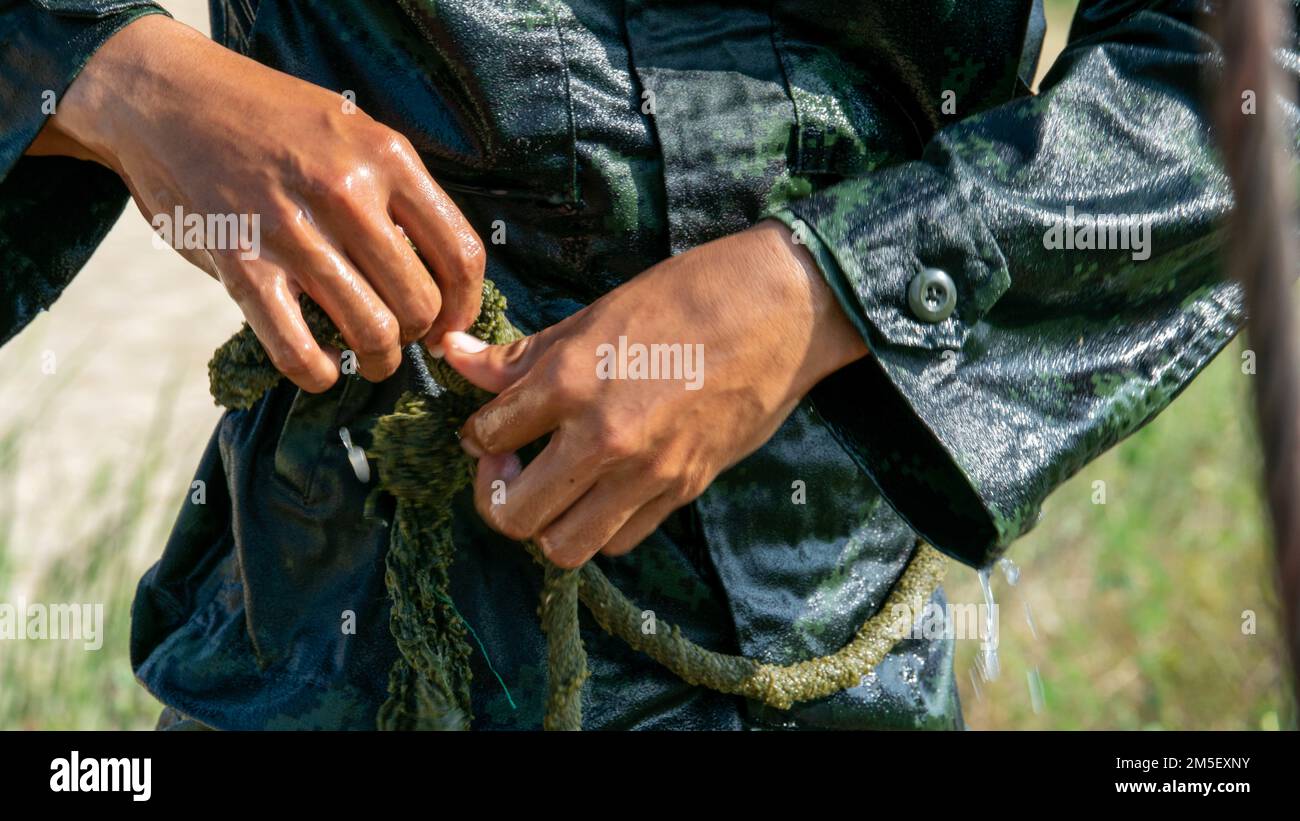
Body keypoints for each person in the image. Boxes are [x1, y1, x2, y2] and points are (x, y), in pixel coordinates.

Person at [1, 0, 1288, 729]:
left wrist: (824, 287)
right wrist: (108, 73)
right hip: (341, 619)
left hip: (834, 627)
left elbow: (1242, 65)